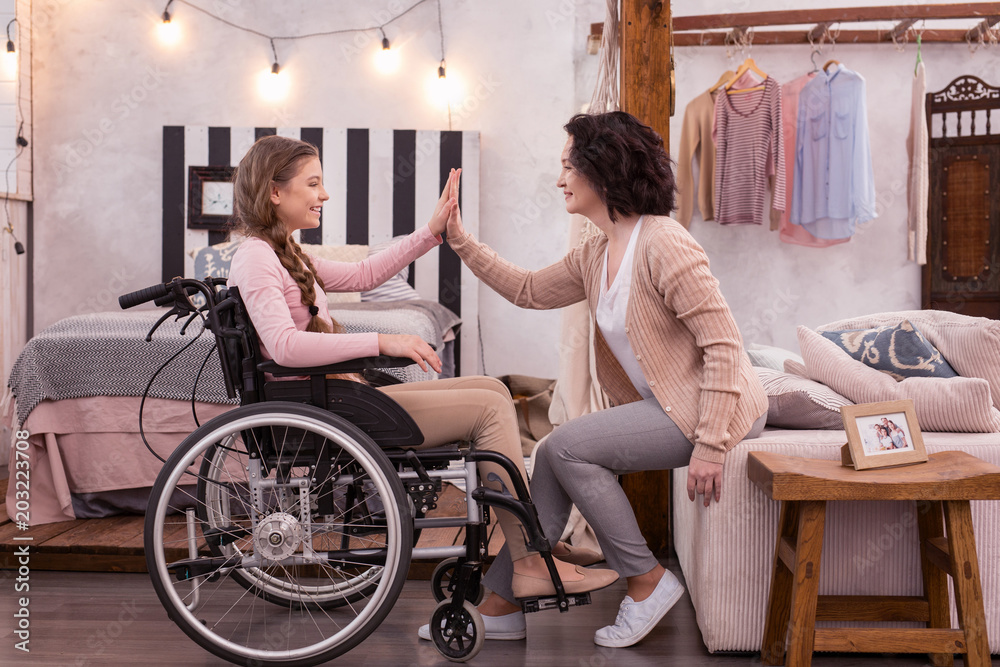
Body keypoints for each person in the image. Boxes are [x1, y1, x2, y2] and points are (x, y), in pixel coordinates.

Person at [225, 135, 618, 623]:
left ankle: (530, 548)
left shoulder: (282, 251)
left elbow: (366, 273)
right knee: (489, 407)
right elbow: (284, 346)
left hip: (333, 398)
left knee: (494, 389)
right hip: (321, 408)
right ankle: (530, 559)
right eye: (314, 183)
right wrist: (382, 341)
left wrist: (433, 231)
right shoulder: (256, 257)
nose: (324, 195)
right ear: (275, 192)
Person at [438, 111, 768, 648]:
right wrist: (460, 240)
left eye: (569, 166)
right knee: (551, 452)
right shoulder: (596, 252)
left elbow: (724, 345)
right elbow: (527, 289)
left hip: (719, 411)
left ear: (604, 168)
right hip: (669, 405)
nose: (560, 178)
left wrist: (710, 445)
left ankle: (646, 581)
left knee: (564, 446)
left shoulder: (664, 243)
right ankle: (501, 604)